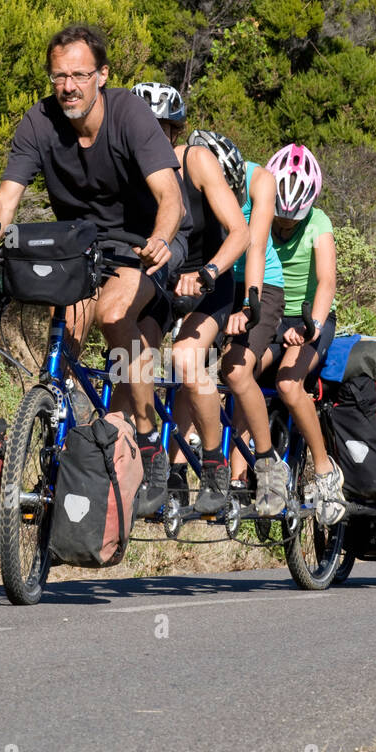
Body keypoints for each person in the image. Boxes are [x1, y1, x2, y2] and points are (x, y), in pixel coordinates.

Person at [0, 25, 189, 515]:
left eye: (80, 74)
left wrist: (161, 239)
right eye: (59, 76)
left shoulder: (131, 116)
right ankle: (54, 428)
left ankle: (147, 440)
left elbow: (171, 198)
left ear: (102, 75)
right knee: (64, 345)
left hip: (145, 245)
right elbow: (5, 202)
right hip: (79, 247)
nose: (69, 87)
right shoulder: (38, 124)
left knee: (115, 313)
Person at [130, 84, 249, 515]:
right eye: (141, 128)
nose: (149, 138)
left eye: (159, 129)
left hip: (209, 283)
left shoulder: (195, 161)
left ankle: (215, 464)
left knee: (184, 356)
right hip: (160, 282)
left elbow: (241, 232)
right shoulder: (129, 170)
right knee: (131, 353)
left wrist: (208, 273)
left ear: (174, 131)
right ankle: (147, 460)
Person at [186, 131, 293, 518]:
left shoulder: (259, 179)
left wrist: (249, 306)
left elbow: (256, 246)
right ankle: (179, 464)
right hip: (215, 279)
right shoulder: (190, 174)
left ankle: (267, 465)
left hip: (260, 284)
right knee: (188, 363)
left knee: (235, 368)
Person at [258, 143, 345, 525]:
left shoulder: (320, 223)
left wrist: (312, 329)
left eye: (292, 221)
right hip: (269, 314)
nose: (284, 226)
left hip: (310, 319)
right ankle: (253, 470)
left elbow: (326, 281)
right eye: (280, 218)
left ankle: (326, 474)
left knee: (290, 385)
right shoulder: (259, 213)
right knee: (237, 374)